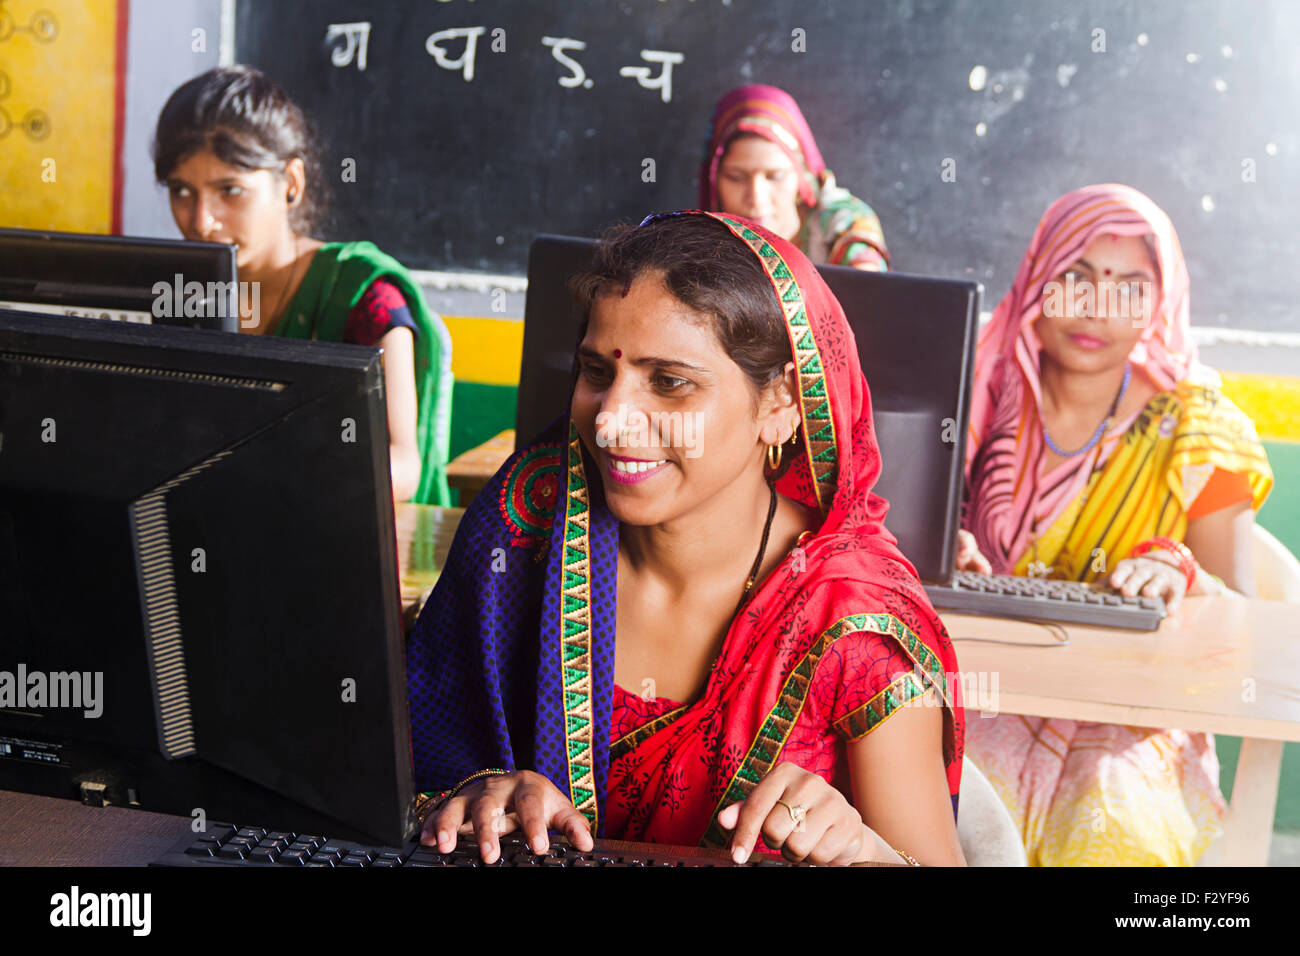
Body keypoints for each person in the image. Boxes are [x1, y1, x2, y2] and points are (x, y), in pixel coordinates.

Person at [405, 210, 966, 866]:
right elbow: (411, 768)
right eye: (596, 371)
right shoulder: (526, 528)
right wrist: (477, 796)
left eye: (669, 382)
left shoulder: (856, 628)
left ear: (782, 402)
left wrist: (861, 849)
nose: (611, 419)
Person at [959, 183, 1274, 866]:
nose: (1096, 307)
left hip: (1133, 722)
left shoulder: (1199, 428)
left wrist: (1177, 567)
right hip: (979, 692)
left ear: (1160, 302)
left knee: (1107, 826)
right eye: (1075, 275)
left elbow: (1240, 617)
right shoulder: (974, 394)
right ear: (1039, 275)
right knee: (936, 808)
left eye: (1131, 286)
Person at [152, 65, 453, 504]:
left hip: (338, 537)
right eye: (181, 192)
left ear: (290, 184)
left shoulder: (362, 296)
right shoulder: (184, 294)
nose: (201, 221)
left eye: (230, 191)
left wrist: (286, 487)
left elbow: (403, 464)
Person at [699, 84, 890, 271]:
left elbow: (869, 291)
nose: (756, 199)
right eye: (736, 177)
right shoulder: (702, 244)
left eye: (775, 176)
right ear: (715, 181)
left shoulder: (843, 227)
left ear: (801, 176)